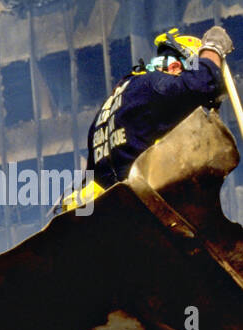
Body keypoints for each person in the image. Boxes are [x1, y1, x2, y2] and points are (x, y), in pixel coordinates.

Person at [63, 26, 234, 212]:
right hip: (148, 212)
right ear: (175, 67)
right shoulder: (154, 86)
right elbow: (201, 83)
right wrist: (212, 49)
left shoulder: (105, 112)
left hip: (114, 217)